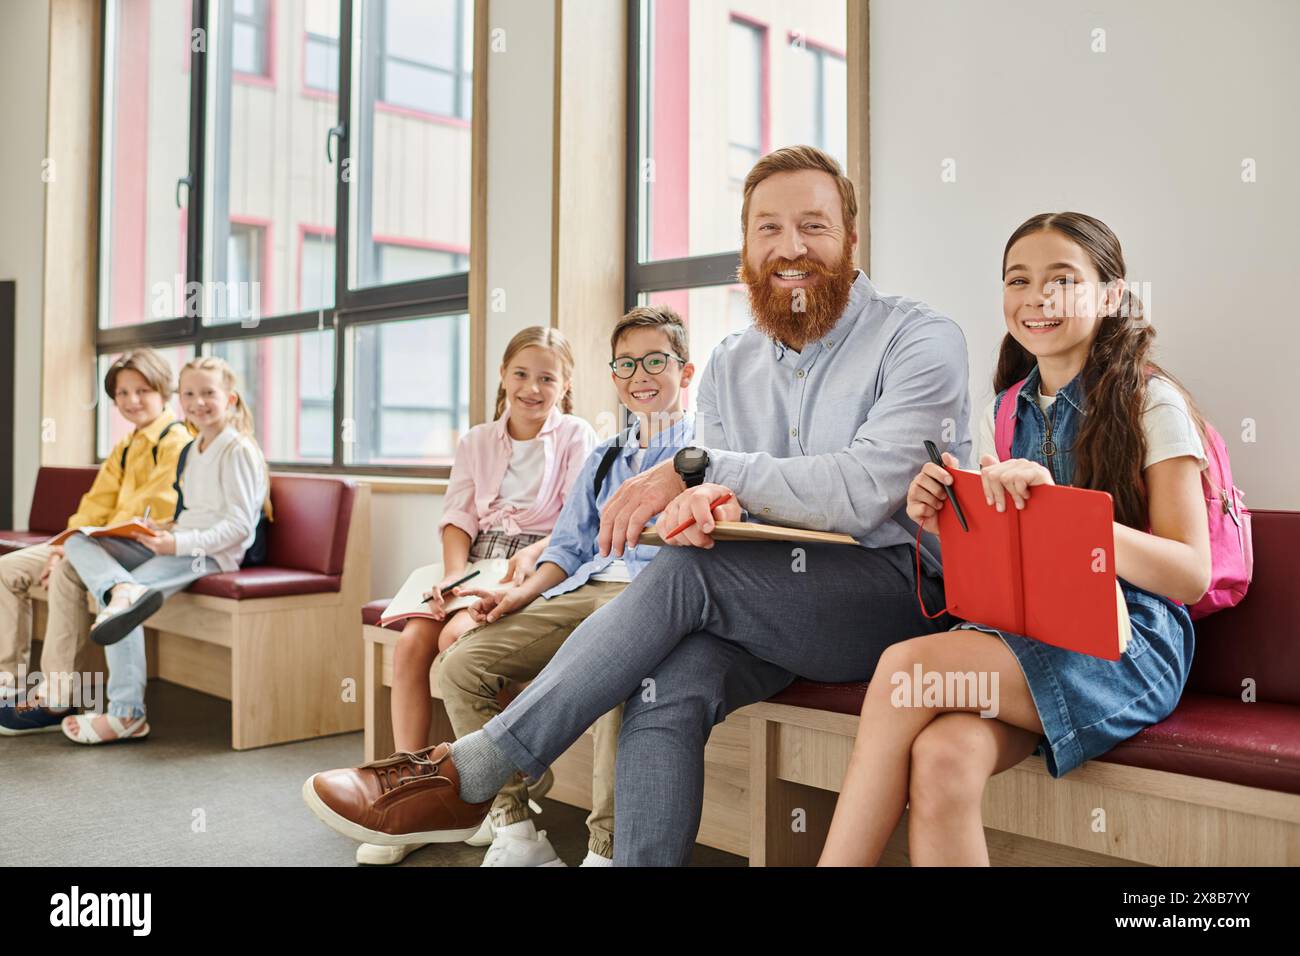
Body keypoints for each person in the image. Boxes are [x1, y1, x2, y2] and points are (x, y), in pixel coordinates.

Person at [302, 145, 973, 865]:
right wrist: (701, 507)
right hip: (760, 599)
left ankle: (472, 771)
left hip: (895, 599)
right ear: (745, 246)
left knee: (685, 578)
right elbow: (731, 502)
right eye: (768, 229)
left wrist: (696, 473)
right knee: (662, 686)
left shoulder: (919, 338)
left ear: (851, 239)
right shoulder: (729, 364)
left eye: (813, 226)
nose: (791, 248)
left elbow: (862, 493)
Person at [818, 212, 1210, 865]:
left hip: (1127, 644)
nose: (1037, 298)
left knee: (903, 671)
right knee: (942, 758)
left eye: (1062, 280)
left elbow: (1190, 573)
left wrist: (1067, 519)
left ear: (1111, 295)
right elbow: (1004, 559)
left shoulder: (1152, 403)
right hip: (1030, 631)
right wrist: (943, 512)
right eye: (1019, 280)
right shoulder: (1003, 408)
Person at [57, 356, 270, 744]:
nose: (197, 402)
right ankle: (122, 588)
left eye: (209, 393)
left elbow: (239, 527)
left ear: (231, 399)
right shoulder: (196, 447)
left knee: (120, 608)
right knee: (76, 541)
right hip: (179, 543)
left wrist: (178, 542)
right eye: (189, 393)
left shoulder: (237, 449)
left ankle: (127, 715)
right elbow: (194, 512)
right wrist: (162, 529)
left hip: (210, 555)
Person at [0, 349, 191, 734]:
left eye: (142, 391)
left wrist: (75, 548)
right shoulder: (126, 446)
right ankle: (9, 680)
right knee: (7, 568)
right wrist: (60, 546)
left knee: (69, 569)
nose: (132, 401)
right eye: (122, 394)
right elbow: (94, 505)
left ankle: (59, 694)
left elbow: (154, 514)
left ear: (163, 391)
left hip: (136, 546)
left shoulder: (177, 441)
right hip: (93, 541)